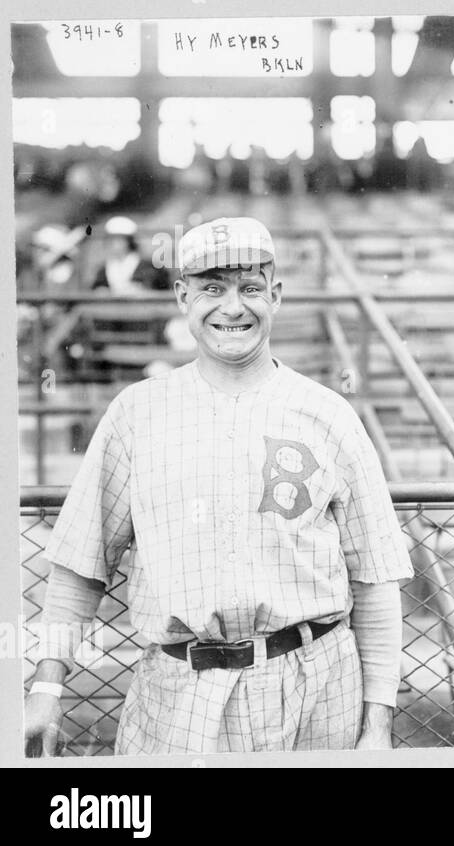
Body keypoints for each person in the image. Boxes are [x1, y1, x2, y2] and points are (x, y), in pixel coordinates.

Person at [24, 216, 413, 755]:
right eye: (212, 288)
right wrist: (46, 685)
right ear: (183, 297)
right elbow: (79, 567)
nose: (233, 308)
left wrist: (377, 727)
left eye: (250, 288)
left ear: (275, 296)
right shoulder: (135, 414)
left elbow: (376, 583)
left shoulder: (329, 414)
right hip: (179, 693)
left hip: (318, 689)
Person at [91, 216, 172, 294]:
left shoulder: (147, 265)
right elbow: (97, 289)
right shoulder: (104, 268)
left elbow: (159, 288)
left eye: (119, 239)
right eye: (110, 239)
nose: (113, 244)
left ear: (129, 241)